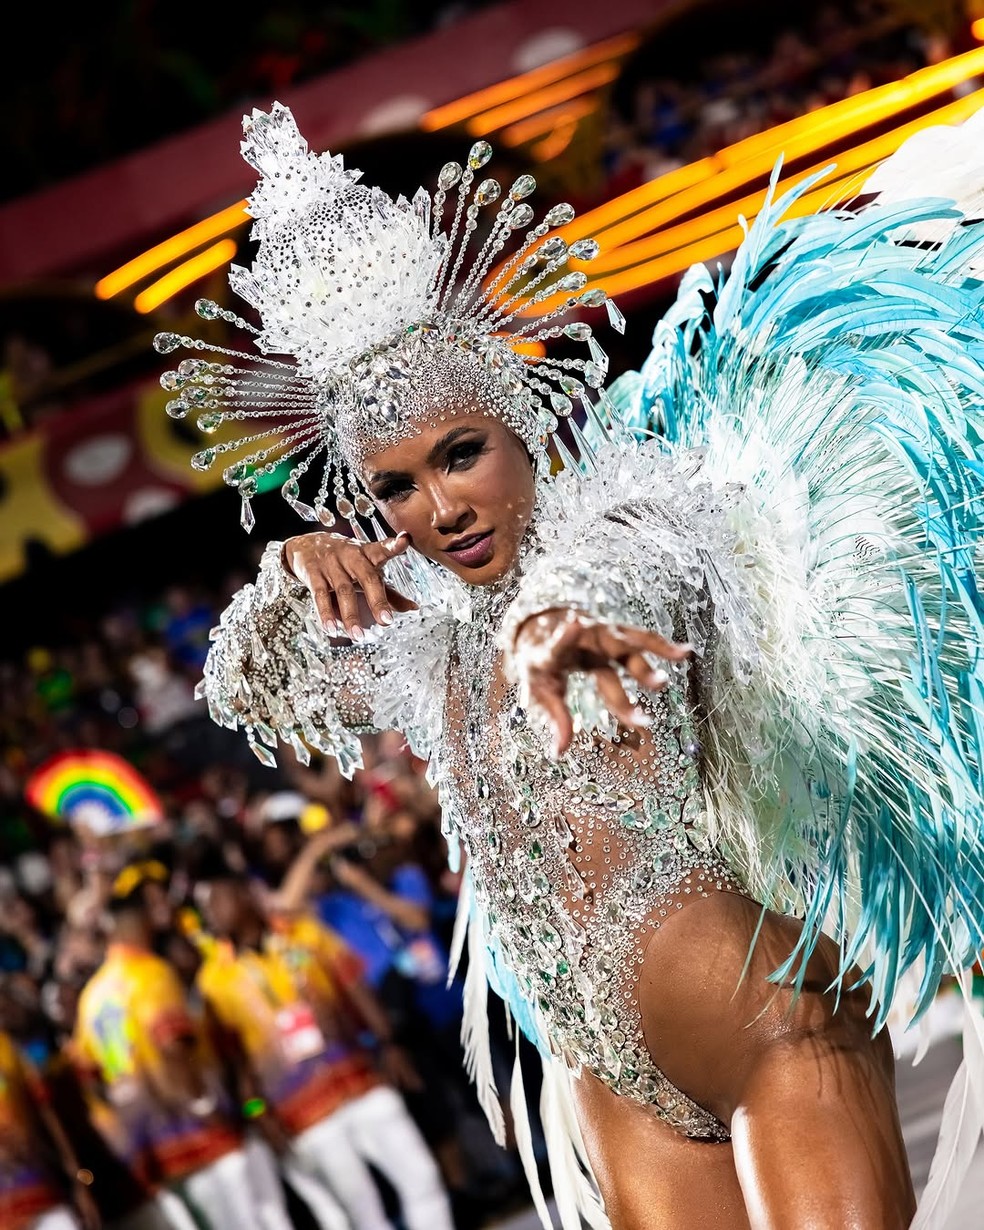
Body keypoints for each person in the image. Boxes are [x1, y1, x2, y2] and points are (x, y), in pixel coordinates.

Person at [162, 101, 984, 1229]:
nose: (440, 507)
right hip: (607, 1082)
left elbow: (634, 578)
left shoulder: (627, 517)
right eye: (396, 487)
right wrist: (285, 583)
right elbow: (247, 691)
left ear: (523, 425)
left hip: (764, 1018)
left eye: (461, 455)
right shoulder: (424, 634)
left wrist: (559, 629)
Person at [193, 858, 456, 1230]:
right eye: (203, 908)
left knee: (422, 1177)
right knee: (363, 1214)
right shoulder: (214, 981)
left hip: (361, 1079)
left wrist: (389, 1043)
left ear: (245, 896)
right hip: (304, 1113)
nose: (209, 915)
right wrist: (257, 1111)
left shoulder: (302, 932)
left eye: (215, 902)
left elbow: (354, 984)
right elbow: (232, 1061)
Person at [71, 875, 276, 1230]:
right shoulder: (150, 974)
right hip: (200, 1132)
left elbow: (90, 1078)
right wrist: (205, 1107)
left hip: (160, 1147)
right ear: (139, 922)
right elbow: (172, 1048)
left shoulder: (91, 997)